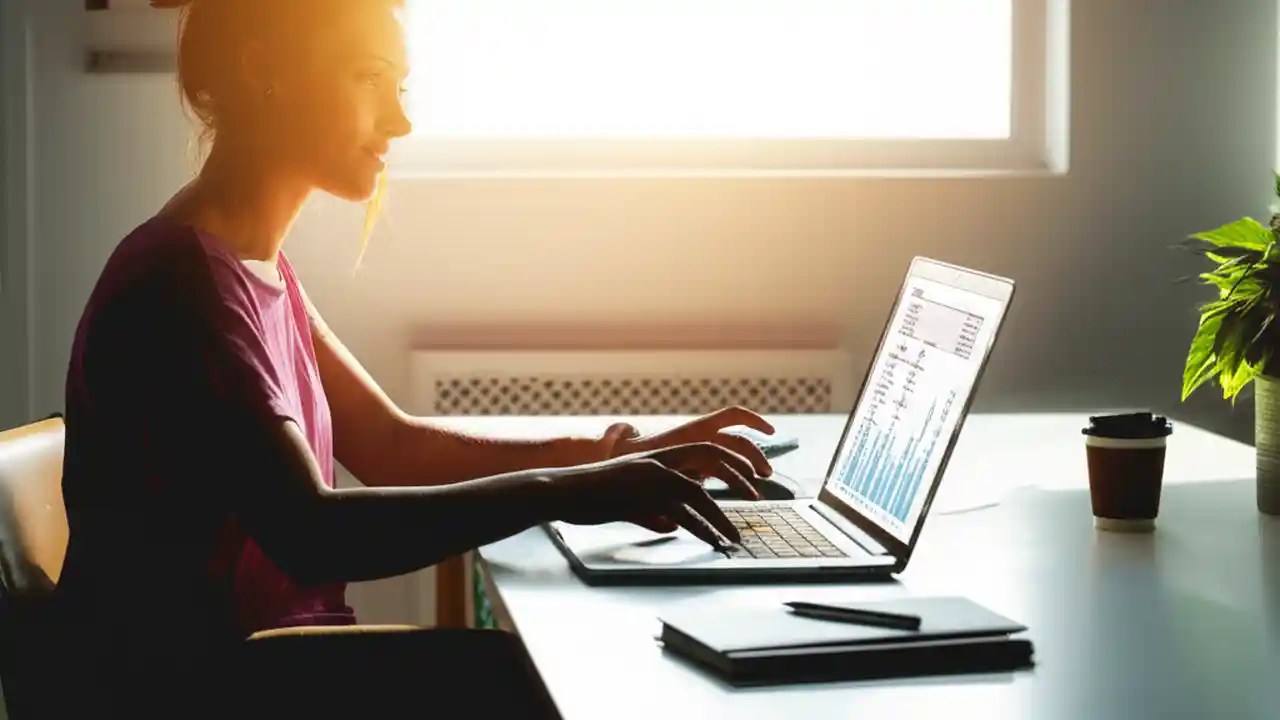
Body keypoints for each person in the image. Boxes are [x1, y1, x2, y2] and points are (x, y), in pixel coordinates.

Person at [50, 0, 777, 716]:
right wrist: (569, 492)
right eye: (369, 77)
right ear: (265, 69)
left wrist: (621, 452)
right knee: (561, 680)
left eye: (400, 87)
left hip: (268, 670)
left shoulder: (248, 267)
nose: (399, 121)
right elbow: (312, 532)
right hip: (211, 690)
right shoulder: (184, 279)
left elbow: (394, 446)